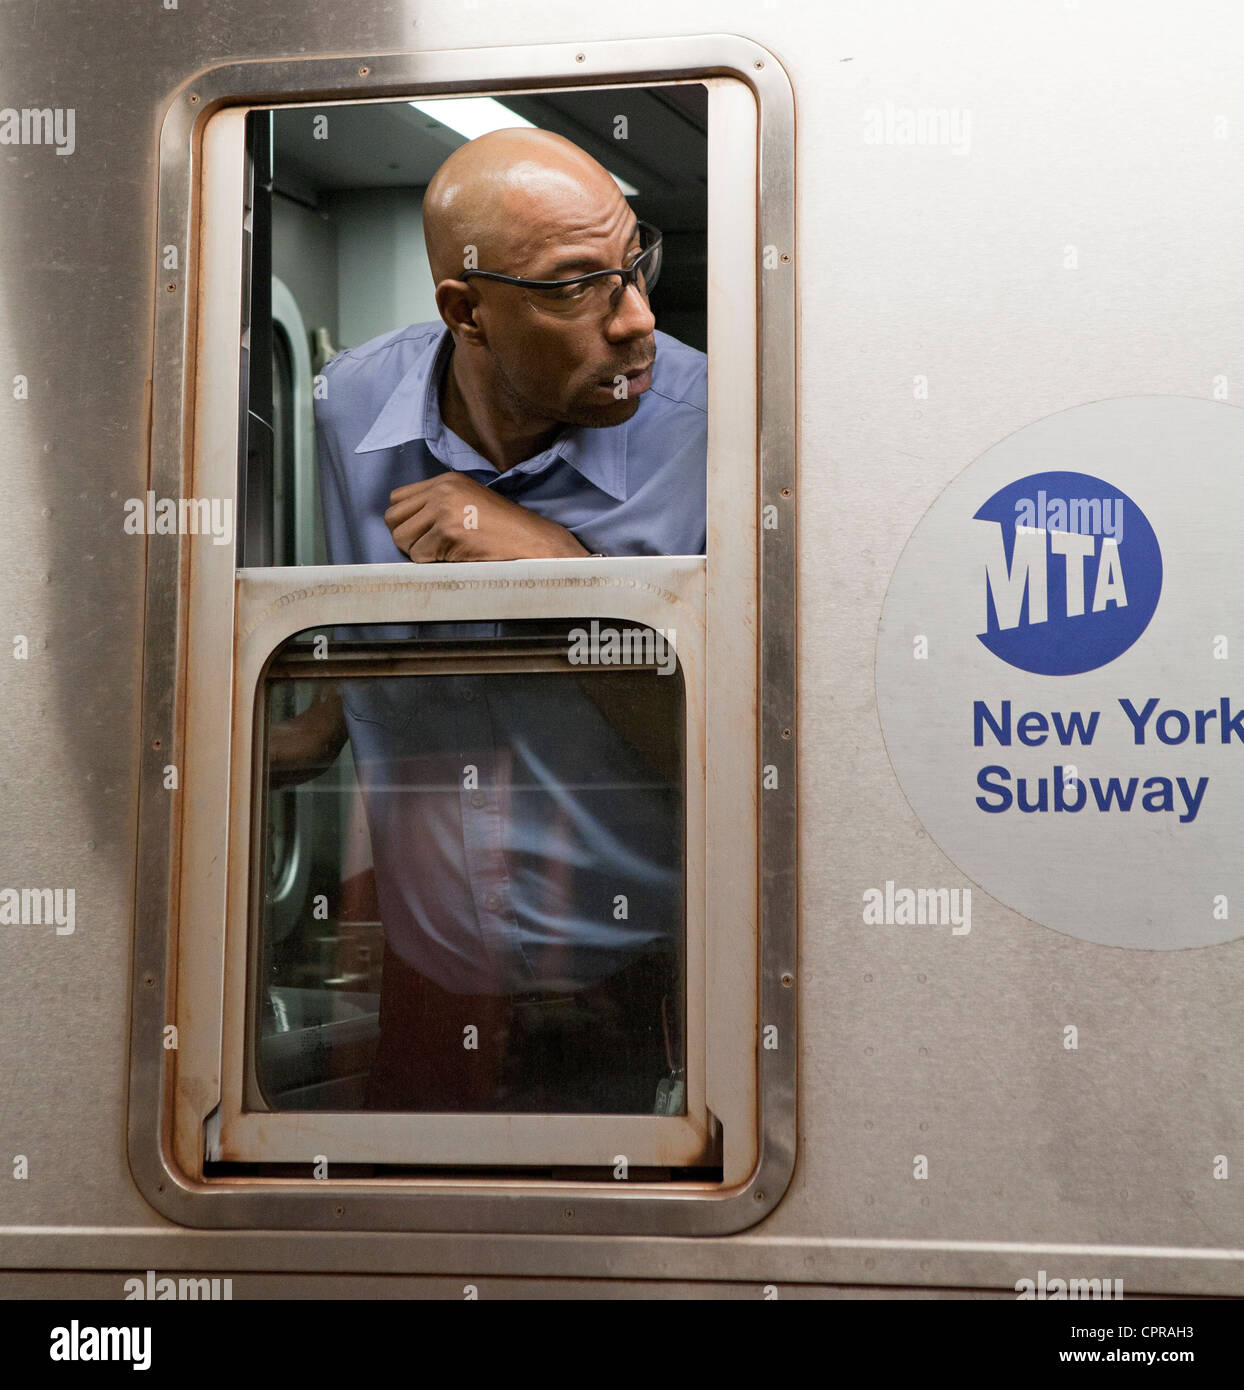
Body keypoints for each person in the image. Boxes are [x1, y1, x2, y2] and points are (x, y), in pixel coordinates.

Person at [283, 127, 706, 1114]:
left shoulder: (718, 430)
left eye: (635, 263)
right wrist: (309, 732)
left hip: (641, 979)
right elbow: (366, 622)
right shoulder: (348, 408)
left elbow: (725, 762)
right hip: (426, 963)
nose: (635, 320)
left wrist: (557, 572)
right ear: (465, 313)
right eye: (576, 286)